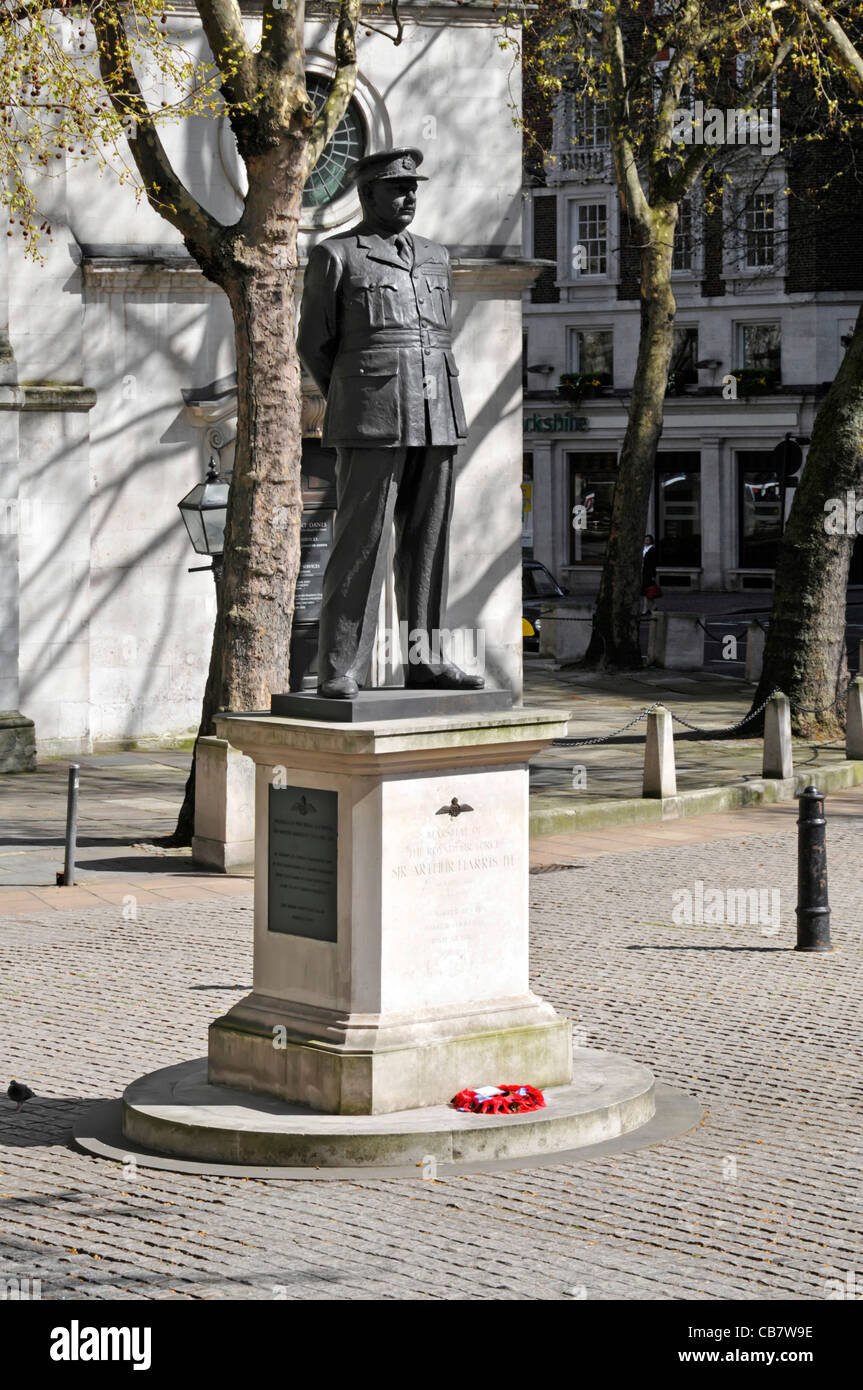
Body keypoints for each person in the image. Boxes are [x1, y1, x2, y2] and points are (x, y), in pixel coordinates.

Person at [297, 146, 484, 699]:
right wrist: (357, 397)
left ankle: (424, 661)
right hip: (372, 416)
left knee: (428, 544)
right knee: (361, 543)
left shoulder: (435, 256)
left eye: (414, 187)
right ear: (367, 194)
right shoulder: (337, 256)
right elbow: (314, 344)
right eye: (398, 188)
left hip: (438, 412)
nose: (409, 196)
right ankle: (340, 667)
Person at [642, 534, 661, 614]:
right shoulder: (643, 549)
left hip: (649, 573)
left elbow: (653, 564)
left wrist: (653, 575)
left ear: (651, 541)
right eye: (645, 539)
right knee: (646, 591)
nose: (646, 541)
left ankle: (645, 608)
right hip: (643, 572)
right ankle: (654, 606)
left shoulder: (652, 550)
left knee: (648, 591)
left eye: (648, 540)